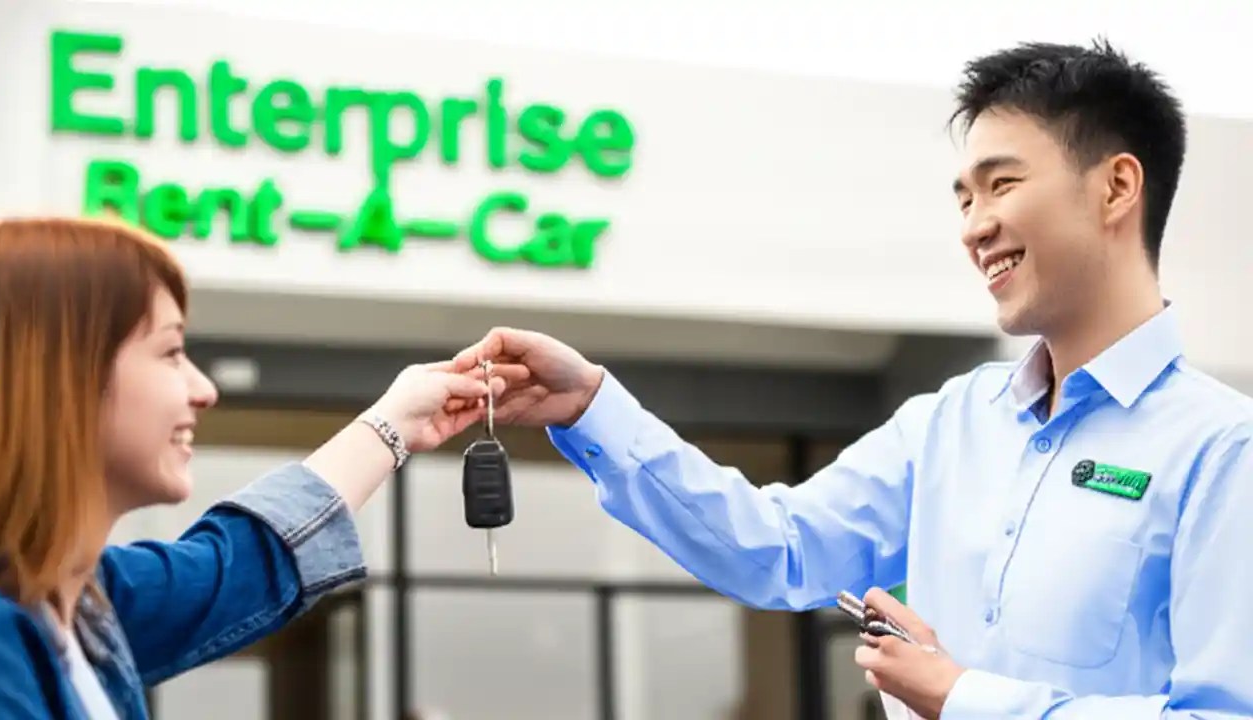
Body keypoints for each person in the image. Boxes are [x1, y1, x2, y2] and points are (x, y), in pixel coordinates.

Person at [453, 40, 1253, 719]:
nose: (975, 227)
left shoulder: (1222, 451)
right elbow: (778, 548)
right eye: (964, 198)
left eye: (1003, 184)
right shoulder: (947, 423)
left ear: (1116, 186)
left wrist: (963, 698)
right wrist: (592, 409)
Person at [0, 217, 497, 718]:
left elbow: (241, 563)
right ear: (61, 377)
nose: (204, 390)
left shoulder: (80, 598)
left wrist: (394, 423)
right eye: (171, 352)